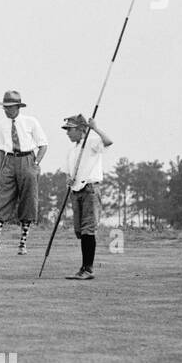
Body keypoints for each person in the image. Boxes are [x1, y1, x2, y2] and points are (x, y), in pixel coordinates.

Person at [0, 90, 48, 254]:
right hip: (9, 161)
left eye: (9, 107)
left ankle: (22, 244)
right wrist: (0, 172)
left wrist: (35, 163)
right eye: (5, 107)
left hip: (27, 160)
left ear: (18, 107)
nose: (6, 110)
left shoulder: (30, 122)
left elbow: (43, 145)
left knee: (28, 201)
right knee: (1, 199)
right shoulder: (2, 125)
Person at [61, 113, 113, 280]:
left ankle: (88, 269)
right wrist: (68, 179)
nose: (67, 133)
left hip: (90, 189)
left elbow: (108, 141)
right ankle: (83, 268)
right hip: (76, 192)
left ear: (80, 129)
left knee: (87, 230)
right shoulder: (72, 150)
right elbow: (67, 173)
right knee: (80, 231)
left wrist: (95, 128)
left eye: (70, 129)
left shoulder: (91, 142)